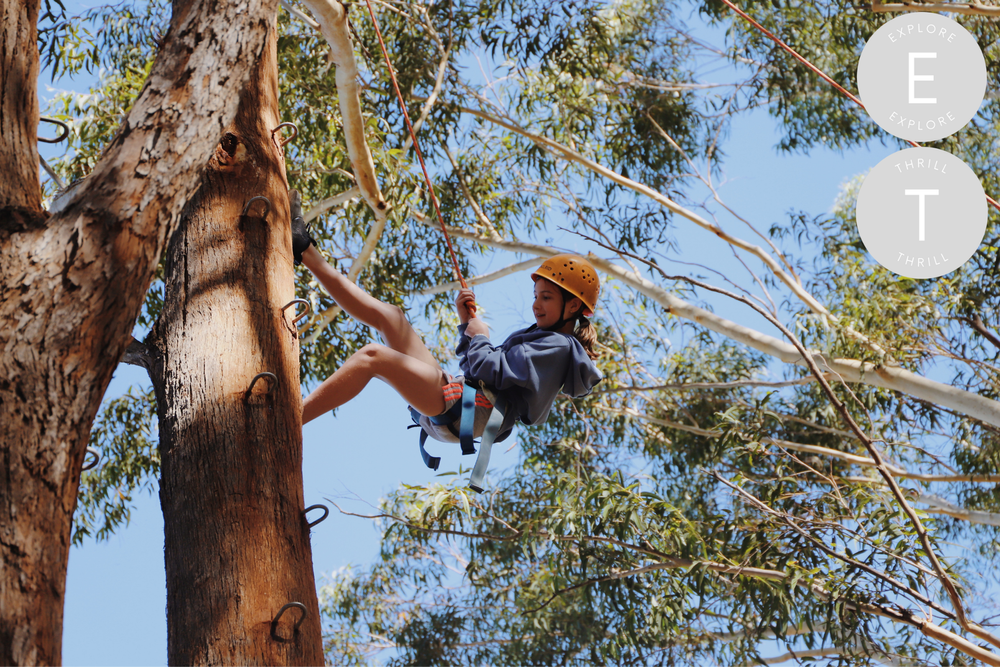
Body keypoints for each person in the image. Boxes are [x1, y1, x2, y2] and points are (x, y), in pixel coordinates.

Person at [291, 193, 603, 455]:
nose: (536, 304)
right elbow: (480, 366)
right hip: (463, 400)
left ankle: (288, 422)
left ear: (573, 306)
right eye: (536, 295)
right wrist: (467, 323)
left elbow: (486, 368)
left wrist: (479, 336)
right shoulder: (543, 339)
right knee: (392, 318)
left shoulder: (559, 347)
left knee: (372, 357)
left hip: (469, 410)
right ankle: (303, 248)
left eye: (546, 297)